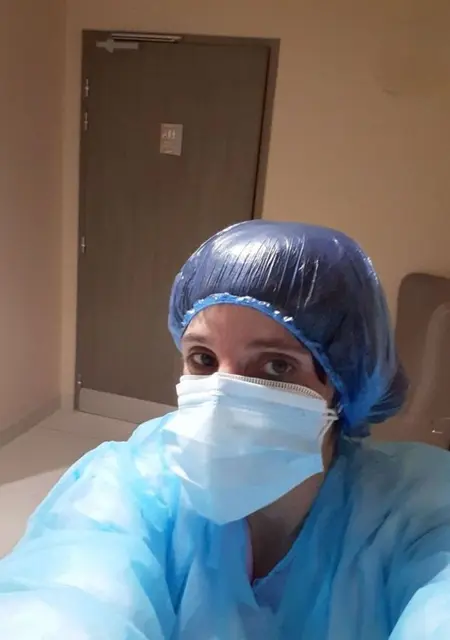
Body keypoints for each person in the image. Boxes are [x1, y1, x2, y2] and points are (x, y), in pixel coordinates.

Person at [0, 220, 449, 639]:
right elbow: (65, 596)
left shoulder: (415, 510)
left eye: (276, 366)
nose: (222, 393)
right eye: (203, 359)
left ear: (344, 382)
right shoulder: (130, 485)